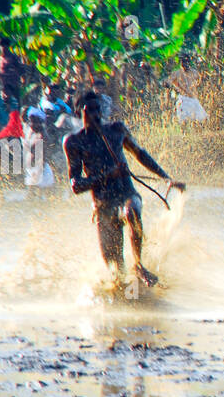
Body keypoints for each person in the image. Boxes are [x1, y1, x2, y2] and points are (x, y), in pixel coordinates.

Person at [63, 90, 175, 286]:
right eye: (90, 111)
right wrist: (107, 175)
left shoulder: (116, 130)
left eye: (98, 110)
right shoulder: (74, 142)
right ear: (80, 112)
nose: (95, 115)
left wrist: (166, 178)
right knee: (116, 271)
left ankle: (139, 265)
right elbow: (76, 185)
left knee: (132, 211)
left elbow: (140, 154)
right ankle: (130, 301)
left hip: (126, 193)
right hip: (103, 205)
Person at [166, 55, 208, 123]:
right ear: (181, 63)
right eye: (183, 62)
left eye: (186, 62)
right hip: (184, 100)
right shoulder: (177, 73)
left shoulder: (194, 72)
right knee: (185, 121)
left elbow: (201, 82)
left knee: (203, 119)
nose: (185, 64)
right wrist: (176, 86)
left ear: (189, 63)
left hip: (194, 99)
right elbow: (168, 82)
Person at [22, 107, 56, 189]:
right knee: (32, 197)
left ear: (39, 122)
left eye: (33, 122)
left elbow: (43, 157)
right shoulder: (30, 132)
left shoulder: (42, 136)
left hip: (41, 170)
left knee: (44, 195)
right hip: (32, 169)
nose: (31, 124)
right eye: (30, 121)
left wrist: (38, 172)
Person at [0, 39, 28, 110]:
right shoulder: (0, 58)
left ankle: (18, 115)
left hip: (13, 82)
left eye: (3, 46)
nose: (2, 49)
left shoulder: (13, 57)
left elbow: (21, 69)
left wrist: (23, 78)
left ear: (7, 46)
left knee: (17, 101)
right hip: (3, 83)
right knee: (3, 101)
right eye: (1, 46)